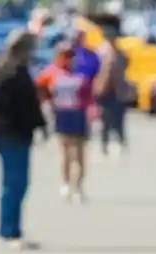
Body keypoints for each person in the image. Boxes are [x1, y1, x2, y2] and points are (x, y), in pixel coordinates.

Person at [0, 29, 47, 250]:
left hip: (17, 132)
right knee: (14, 183)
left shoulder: (17, 69)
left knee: (18, 183)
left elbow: (31, 103)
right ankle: (8, 231)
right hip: (10, 133)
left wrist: (40, 124)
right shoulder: (7, 70)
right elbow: (4, 105)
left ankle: (14, 229)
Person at [35, 42, 93, 203]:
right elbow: (39, 88)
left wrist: (91, 112)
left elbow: (88, 95)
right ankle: (66, 183)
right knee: (65, 151)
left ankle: (79, 186)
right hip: (61, 114)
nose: (68, 59)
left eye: (70, 55)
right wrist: (46, 104)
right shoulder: (50, 73)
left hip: (78, 113)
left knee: (79, 152)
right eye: (65, 55)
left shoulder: (80, 73)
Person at [94, 31, 132, 158]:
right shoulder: (105, 52)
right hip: (108, 90)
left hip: (114, 90)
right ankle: (108, 143)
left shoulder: (113, 52)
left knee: (115, 118)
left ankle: (117, 142)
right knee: (108, 119)